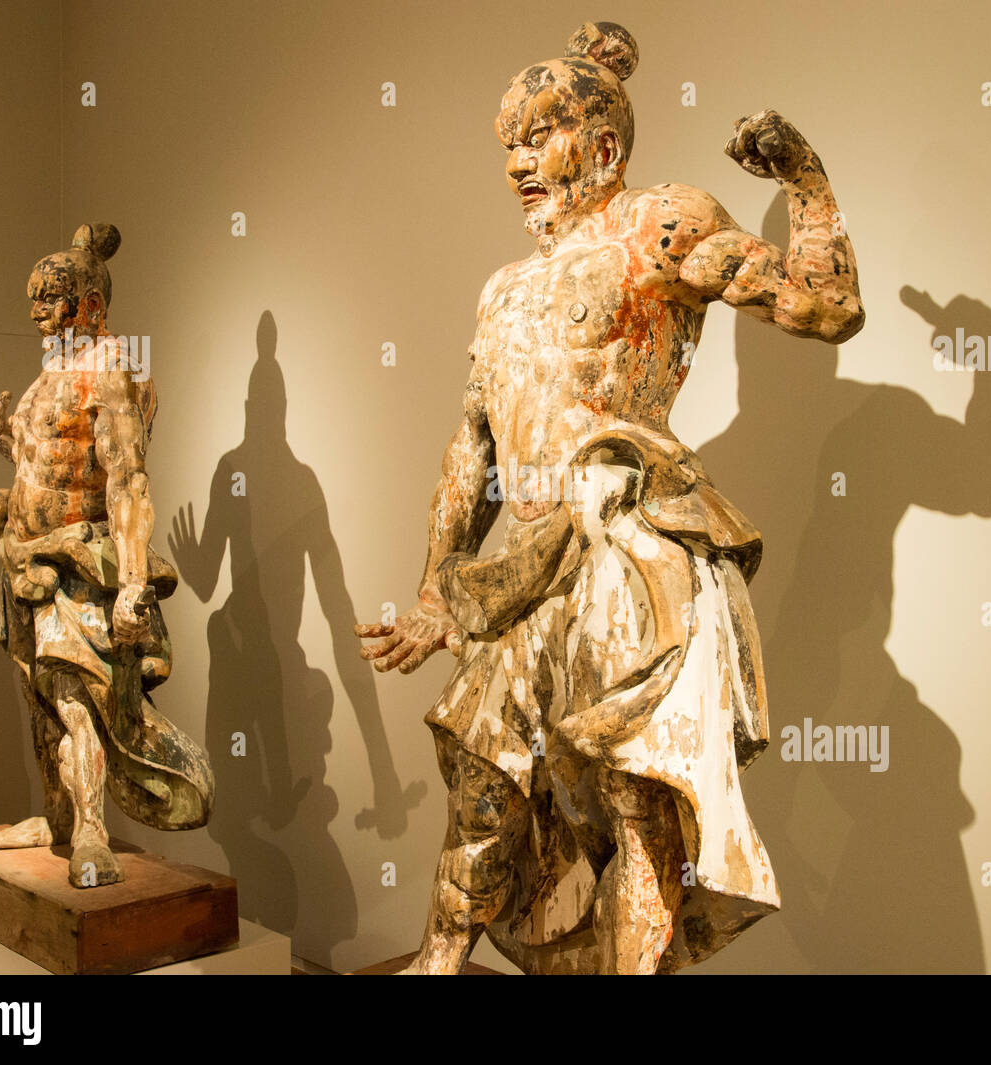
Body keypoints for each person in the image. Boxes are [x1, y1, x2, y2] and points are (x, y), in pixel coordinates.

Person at [357, 21, 863, 973]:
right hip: (528, 570)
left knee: (639, 795)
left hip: (632, 549)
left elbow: (823, 304)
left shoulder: (658, 224)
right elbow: (474, 450)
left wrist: (806, 182)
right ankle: (438, 956)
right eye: (508, 144)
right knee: (483, 775)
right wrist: (437, 590)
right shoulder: (503, 290)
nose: (519, 164)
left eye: (538, 137)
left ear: (602, 144)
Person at [0, 224, 212, 887]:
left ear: (88, 303)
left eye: (50, 298)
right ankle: (55, 814)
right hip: (25, 558)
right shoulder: (52, 374)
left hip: (79, 562)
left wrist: (133, 581)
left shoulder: (109, 370)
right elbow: (39, 463)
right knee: (38, 697)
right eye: (34, 298)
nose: (35, 312)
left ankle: (92, 830)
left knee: (75, 697)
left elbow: (127, 476)